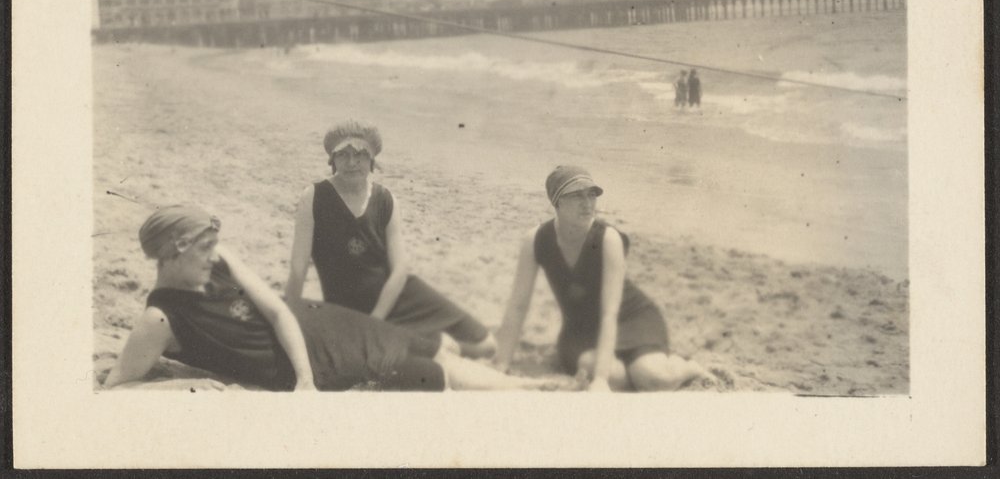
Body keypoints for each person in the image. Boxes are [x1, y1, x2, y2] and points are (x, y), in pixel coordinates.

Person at [105, 205, 558, 391]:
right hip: (314, 361)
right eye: (201, 250)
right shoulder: (159, 320)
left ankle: (527, 386)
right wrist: (184, 382)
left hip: (312, 327)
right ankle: (527, 392)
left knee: (417, 342)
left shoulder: (221, 258)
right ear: (172, 253)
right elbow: (115, 388)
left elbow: (277, 308)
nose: (211, 257)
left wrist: (304, 382)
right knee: (424, 372)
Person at [287, 121, 496, 358]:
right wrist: (290, 317)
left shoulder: (386, 199)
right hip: (348, 308)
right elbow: (298, 269)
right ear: (331, 160)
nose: (352, 162)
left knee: (486, 345)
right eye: (343, 155)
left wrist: (376, 320)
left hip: (397, 296)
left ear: (372, 160)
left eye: (360, 155)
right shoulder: (314, 197)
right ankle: (431, 347)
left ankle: (442, 347)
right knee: (394, 353)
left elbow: (400, 271)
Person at [494, 166, 714, 392]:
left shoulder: (608, 238)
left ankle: (688, 367)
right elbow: (518, 306)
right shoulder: (536, 240)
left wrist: (599, 379)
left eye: (591, 194)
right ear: (557, 201)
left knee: (654, 379)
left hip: (631, 318)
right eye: (577, 196)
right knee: (617, 378)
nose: (587, 203)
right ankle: (640, 366)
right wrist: (501, 365)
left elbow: (610, 312)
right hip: (580, 330)